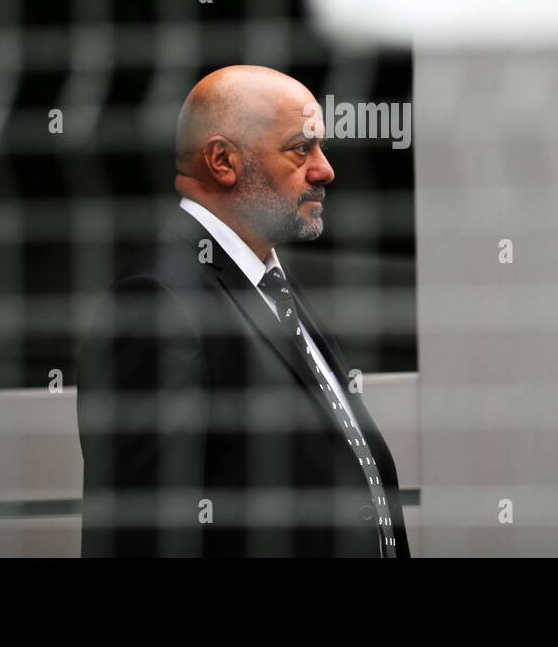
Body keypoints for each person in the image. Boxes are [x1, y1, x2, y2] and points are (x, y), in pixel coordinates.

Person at [76, 65, 411, 557]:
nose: (324, 169)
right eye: (301, 148)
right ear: (222, 161)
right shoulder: (160, 300)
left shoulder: (270, 282)